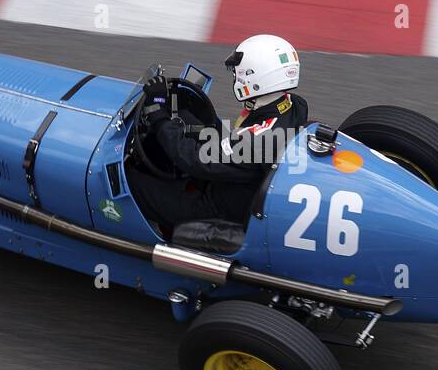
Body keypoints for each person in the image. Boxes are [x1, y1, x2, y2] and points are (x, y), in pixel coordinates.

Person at [130, 34, 309, 231]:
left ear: (254, 77)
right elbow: (232, 146)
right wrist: (201, 118)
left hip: (215, 209)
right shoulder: (294, 106)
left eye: (238, 73)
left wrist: (159, 116)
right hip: (241, 185)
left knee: (132, 182)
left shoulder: (256, 142)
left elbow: (192, 159)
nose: (235, 77)